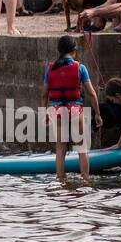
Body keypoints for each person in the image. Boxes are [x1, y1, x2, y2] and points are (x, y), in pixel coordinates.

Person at [41, 35, 103, 183]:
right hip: (75, 108)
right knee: (81, 147)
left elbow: (44, 94)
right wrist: (98, 114)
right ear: (74, 50)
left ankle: (61, 180)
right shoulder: (80, 67)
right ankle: (86, 179)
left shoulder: (50, 69)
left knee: (60, 148)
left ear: (59, 51)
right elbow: (92, 93)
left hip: (56, 110)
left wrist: (45, 113)